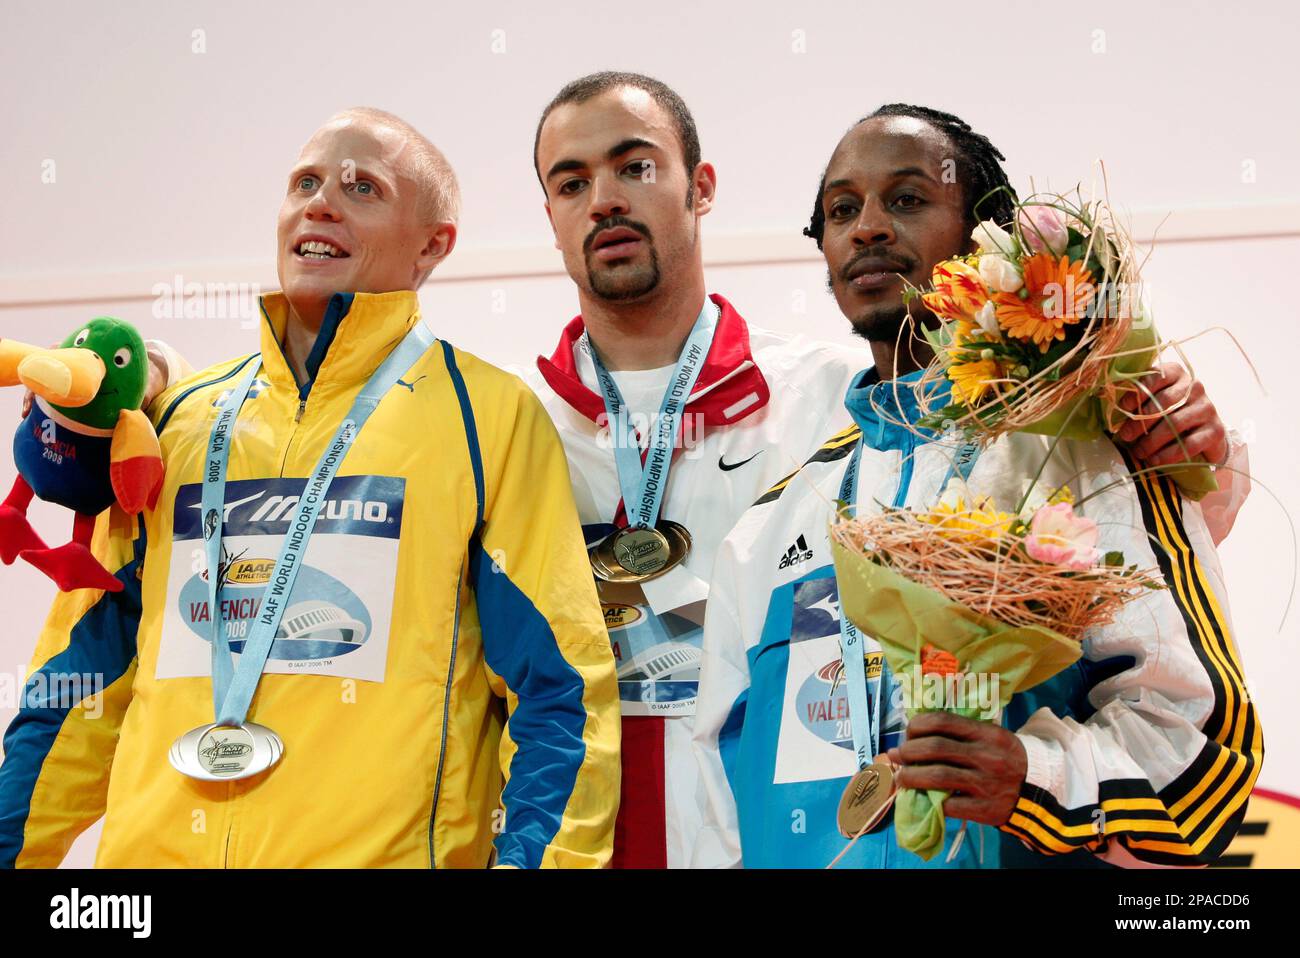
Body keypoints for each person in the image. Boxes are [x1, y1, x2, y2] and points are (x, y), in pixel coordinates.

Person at [527, 75, 1245, 868]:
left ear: (984, 240)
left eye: (906, 200)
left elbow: (1202, 750)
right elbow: (719, 805)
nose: (867, 228)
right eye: (841, 211)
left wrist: (1035, 779)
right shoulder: (778, 516)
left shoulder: (1072, 454)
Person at [0, 107, 620, 868]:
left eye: (364, 188)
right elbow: (77, 685)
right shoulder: (178, 421)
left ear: (432, 245)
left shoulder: (487, 417)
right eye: (305, 183)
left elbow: (560, 691)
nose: (321, 202)